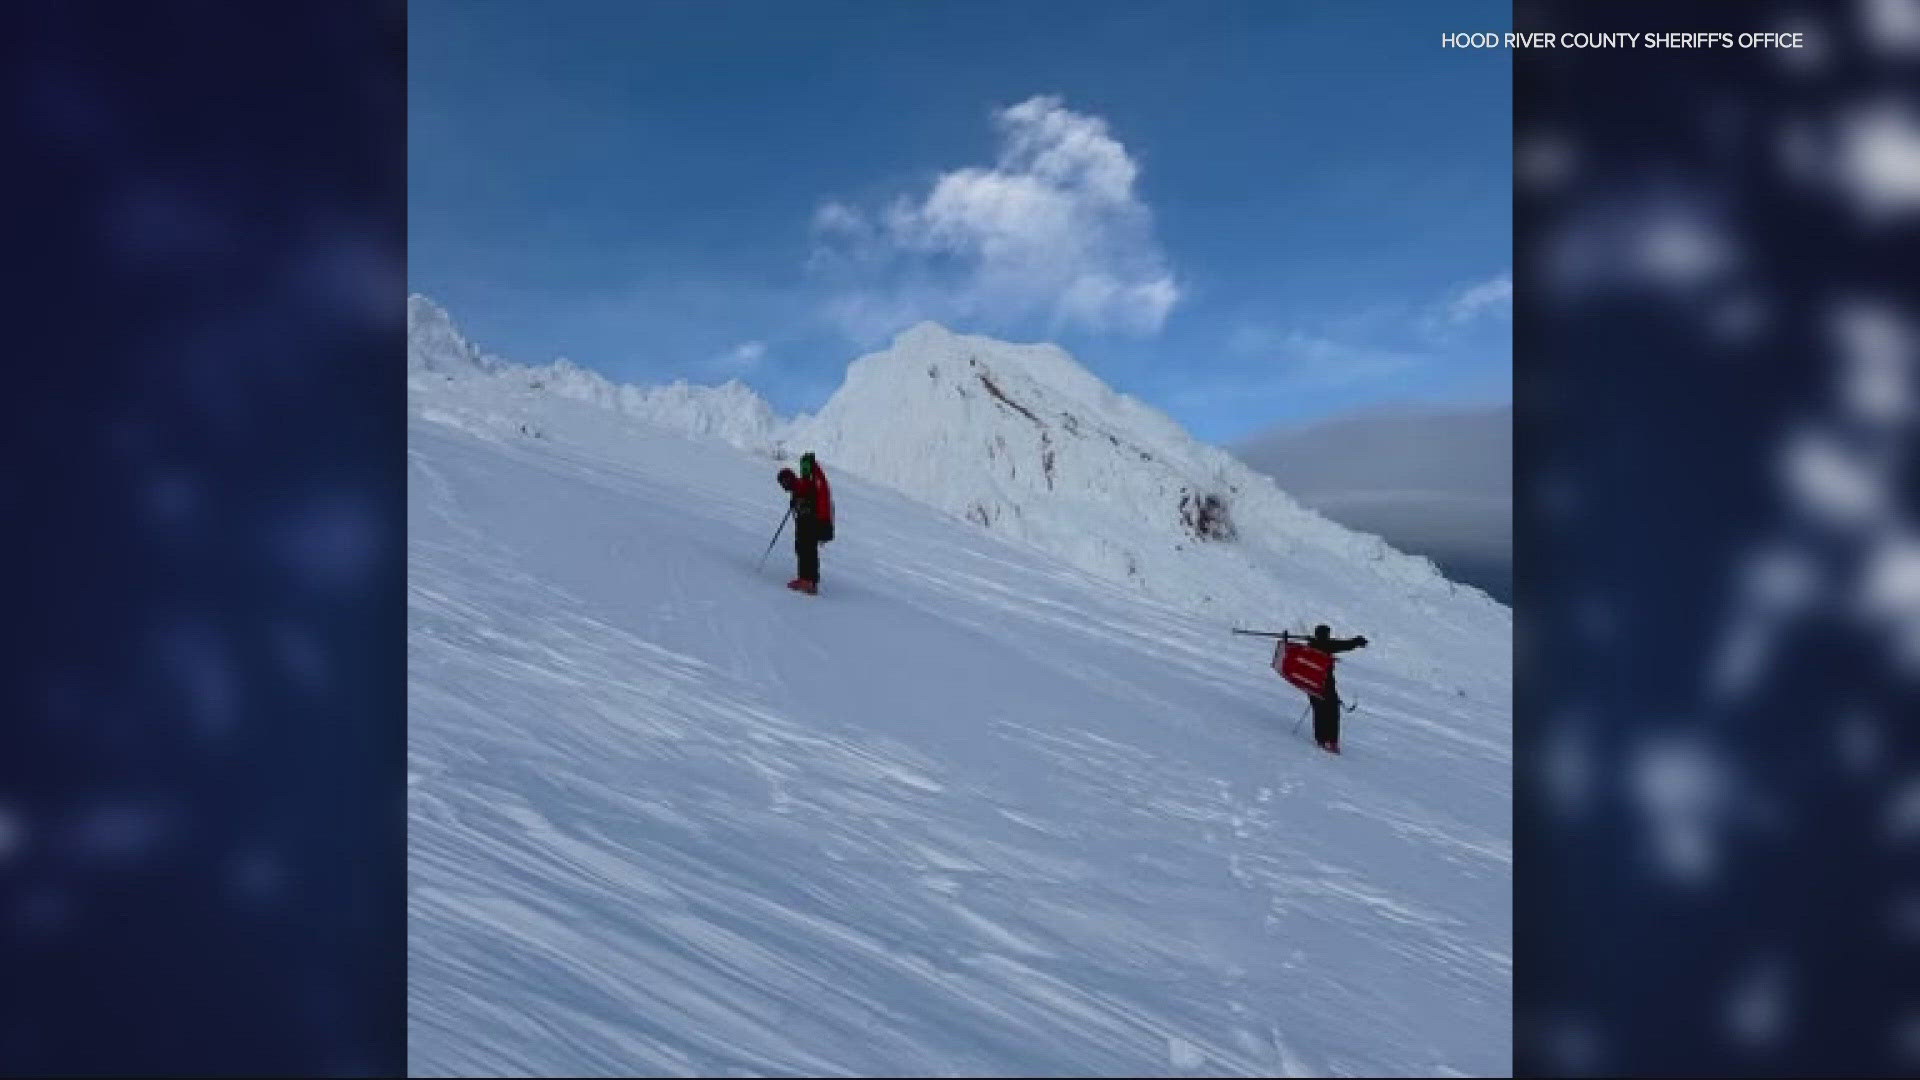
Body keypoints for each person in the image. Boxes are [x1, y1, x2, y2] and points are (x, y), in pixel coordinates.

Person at [776, 452, 833, 594]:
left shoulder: (804, 484)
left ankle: (809, 581)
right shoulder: (802, 485)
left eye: (784, 482)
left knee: (807, 549)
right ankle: (805, 579)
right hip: (807, 524)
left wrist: (799, 502)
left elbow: (810, 500)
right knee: (803, 548)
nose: (784, 486)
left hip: (811, 524)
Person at [1304, 623, 1367, 753]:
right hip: (1325, 685)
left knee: (1319, 711)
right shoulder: (1324, 645)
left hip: (1312, 685)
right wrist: (1356, 641)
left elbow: (1336, 644)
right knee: (1331, 712)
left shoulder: (1312, 645)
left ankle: (1322, 739)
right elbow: (1341, 645)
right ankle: (1331, 741)